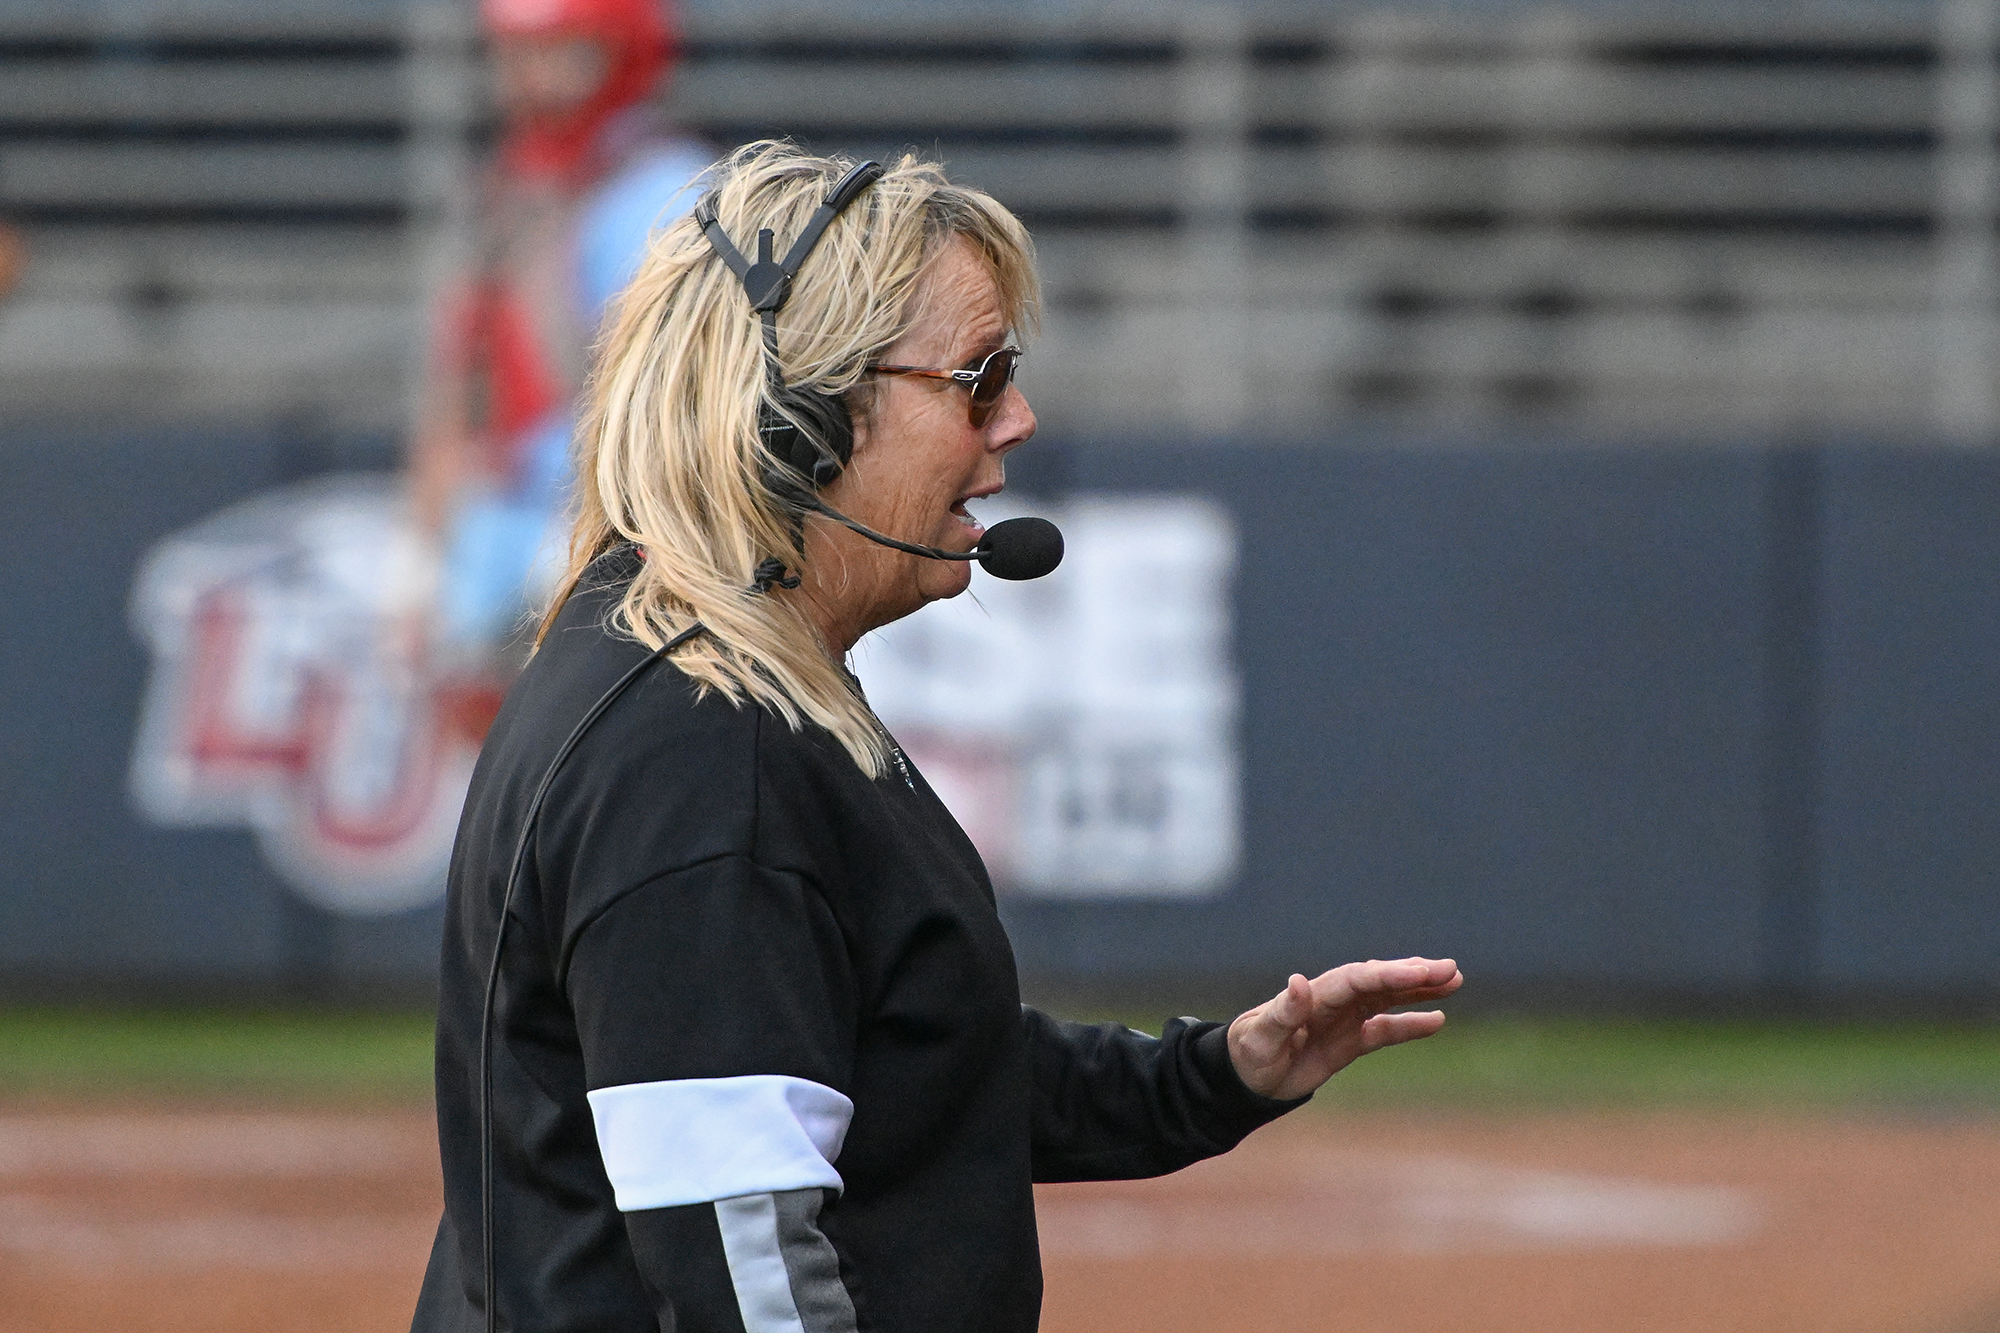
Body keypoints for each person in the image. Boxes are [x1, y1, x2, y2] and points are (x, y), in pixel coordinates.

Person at [412, 141, 1463, 1333]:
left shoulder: (697, 670)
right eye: (978, 376)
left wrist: (1211, 1075)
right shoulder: (699, 754)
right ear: (798, 422)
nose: (1015, 420)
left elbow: (898, 1061)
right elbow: (739, 1260)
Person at [411, 0, 710, 667]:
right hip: (499, 530)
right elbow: (454, 388)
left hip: (623, 536)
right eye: (512, 52)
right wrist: (424, 555)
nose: (524, 76)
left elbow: (667, 409)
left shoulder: (669, 189)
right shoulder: (501, 187)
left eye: (555, 50)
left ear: (620, 51)